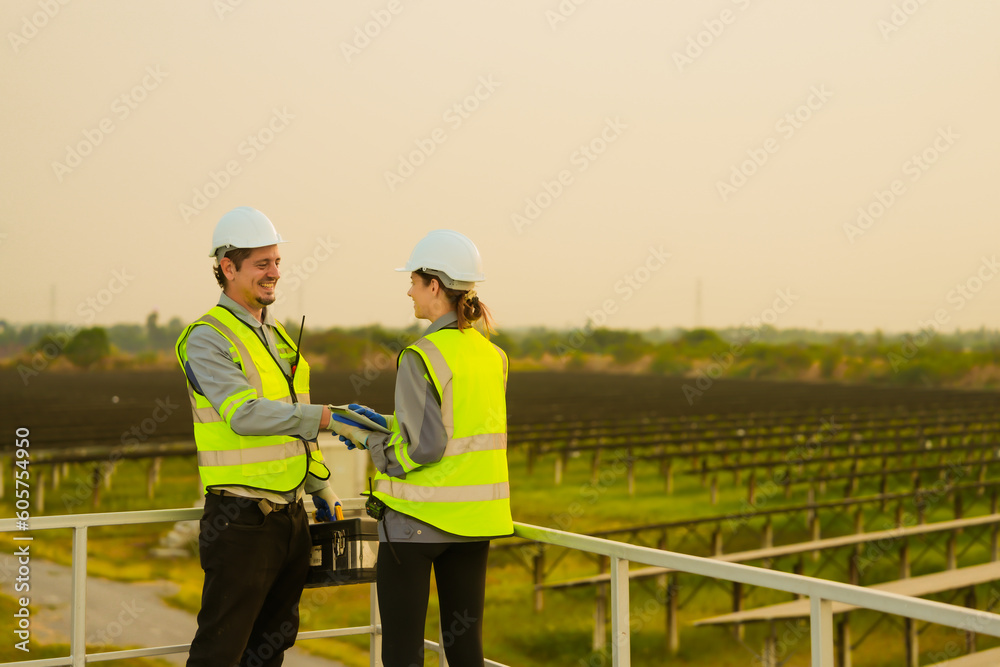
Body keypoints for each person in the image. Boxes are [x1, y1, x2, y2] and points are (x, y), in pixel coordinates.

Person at [330, 229, 513, 667]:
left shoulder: (421, 355)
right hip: (476, 526)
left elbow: (427, 448)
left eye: (413, 280)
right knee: (466, 650)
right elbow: (457, 427)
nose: (408, 289)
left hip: (415, 525)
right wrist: (389, 423)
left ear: (435, 286)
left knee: (402, 652)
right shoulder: (494, 356)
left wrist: (371, 440)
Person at [175, 206, 343, 667]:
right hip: (241, 519)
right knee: (221, 650)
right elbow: (245, 414)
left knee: (272, 645)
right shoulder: (207, 337)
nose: (275, 273)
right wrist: (327, 418)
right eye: (262, 264)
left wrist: (318, 485)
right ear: (228, 268)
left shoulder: (279, 335)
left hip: (290, 517)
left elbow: (290, 421)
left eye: (277, 261)